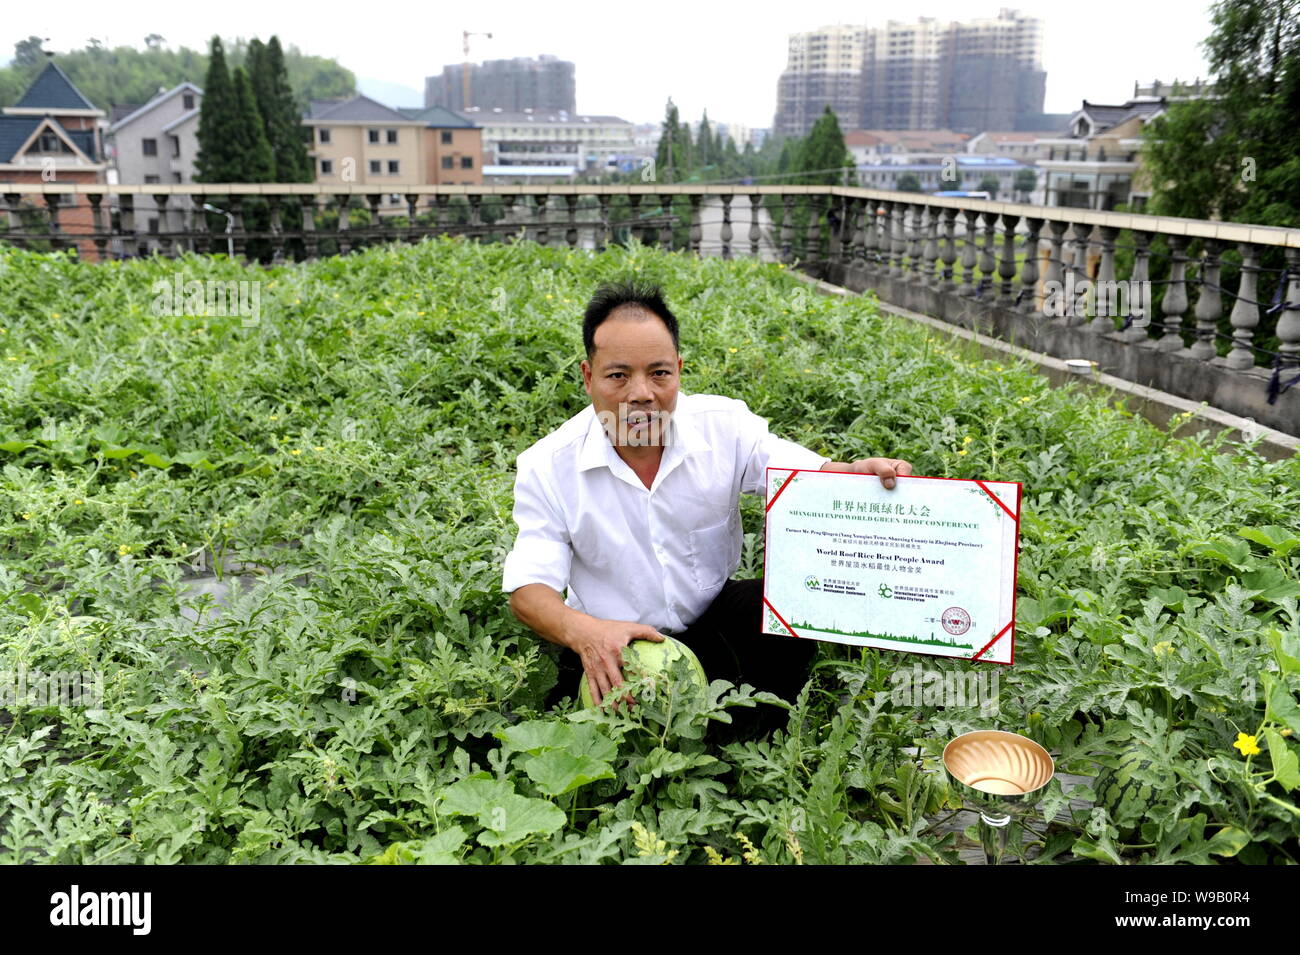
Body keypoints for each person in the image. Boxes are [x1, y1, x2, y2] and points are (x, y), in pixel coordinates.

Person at [501, 279, 913, 739]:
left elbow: (807, 480)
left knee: (773, 606)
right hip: (615, 642)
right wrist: (586, 635)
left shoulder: (725, 428)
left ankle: (757, 736)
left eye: (659, 373)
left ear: (678, 369)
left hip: (713, 619)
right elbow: (528, 590)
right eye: (618, 375)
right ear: (587, 376)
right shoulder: (548, 465)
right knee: (610, 739)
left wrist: (855, 474)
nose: (641, 393)